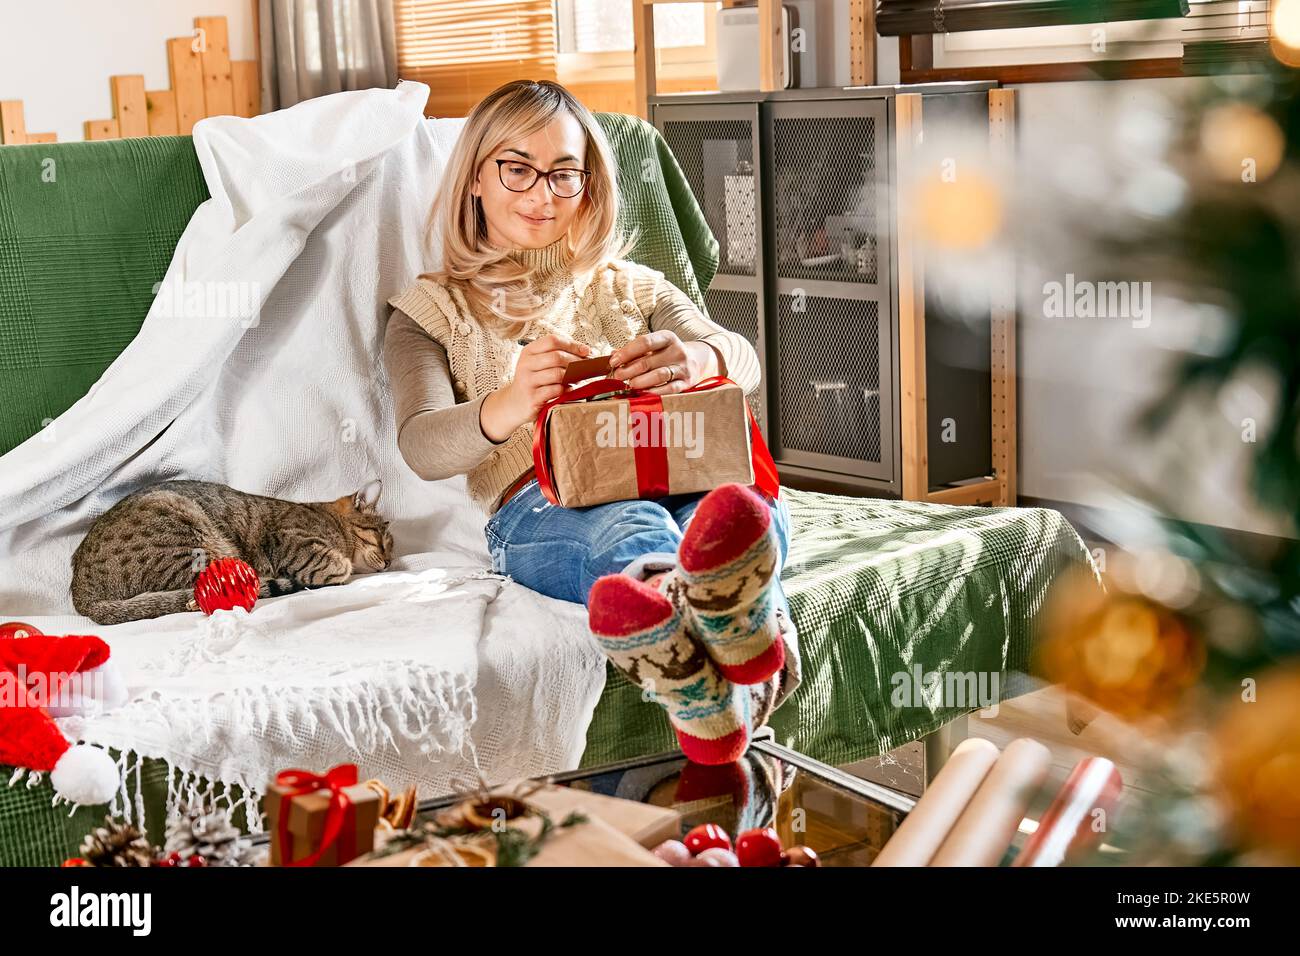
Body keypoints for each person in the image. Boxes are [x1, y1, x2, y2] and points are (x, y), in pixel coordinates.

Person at [384, 79, 799, 765]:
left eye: (564, 174)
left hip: (677, 465)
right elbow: (421, 446)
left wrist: (695, 356)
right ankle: (718, 641)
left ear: (590, 187)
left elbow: (744, 360)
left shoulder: (633, 285)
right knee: (630, 530)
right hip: (541, 506)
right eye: (517, 169)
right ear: (475, 180)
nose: (541, 194)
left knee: (736, 508)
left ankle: (706, 666)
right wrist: (509, 404)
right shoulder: (432, 310)